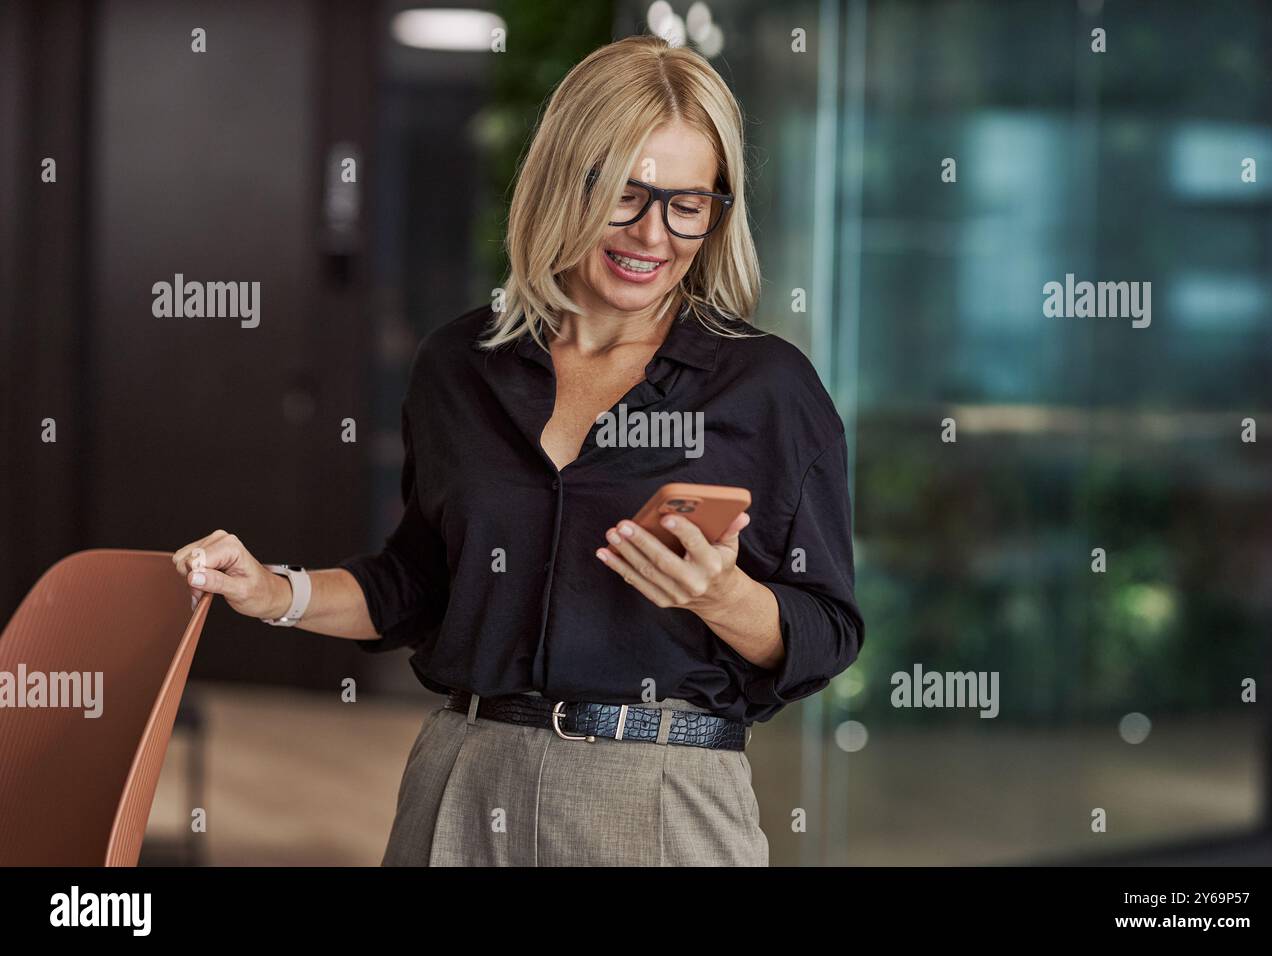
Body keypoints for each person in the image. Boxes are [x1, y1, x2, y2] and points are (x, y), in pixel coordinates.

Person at [173, 34, 863, 866]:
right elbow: (417, 586)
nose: (653, 234)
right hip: (465, 777)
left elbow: (825, 633)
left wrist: (721, 597)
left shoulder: (767, 389)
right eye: (623, 195)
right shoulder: (460, 367)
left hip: (660, 799)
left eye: (687, 204)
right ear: (559, 183)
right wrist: (273, 591)